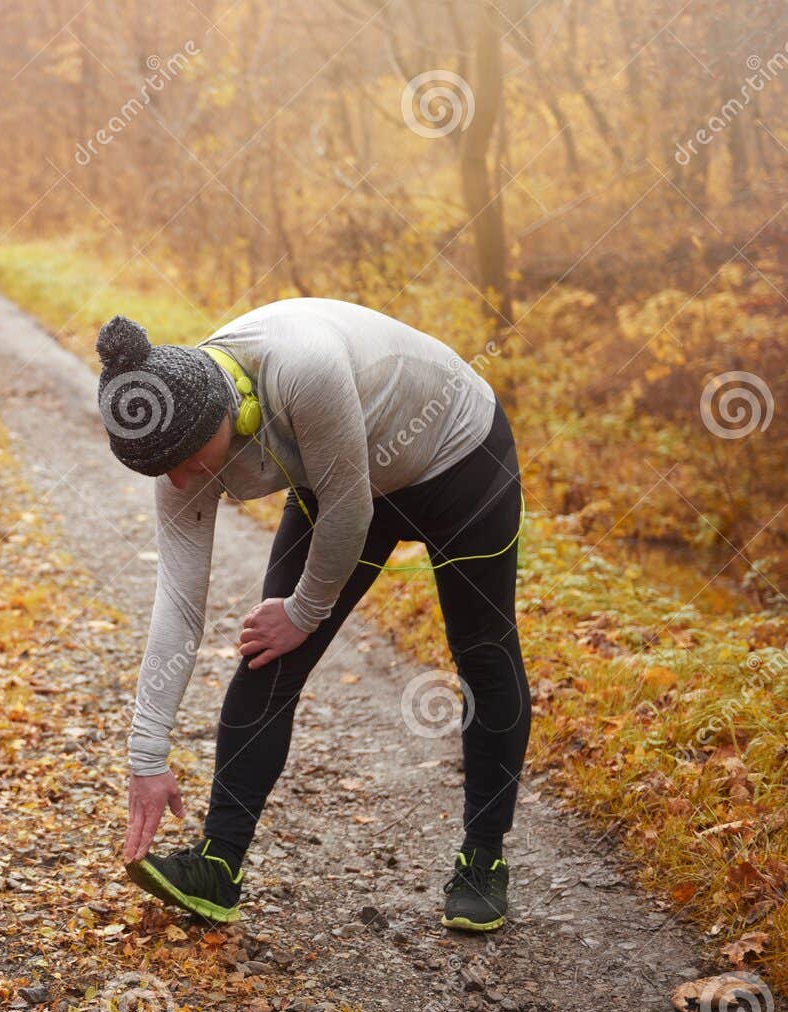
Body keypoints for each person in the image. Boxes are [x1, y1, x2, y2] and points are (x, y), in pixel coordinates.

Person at [96, 299, 528, 932]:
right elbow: (180, 604)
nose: (183, 482)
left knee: (481, 651)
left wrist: (304, 610)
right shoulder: (179, 446)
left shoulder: (303, 367)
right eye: (165, 472)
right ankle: (219, 864)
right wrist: (147, 753)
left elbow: (350, 511)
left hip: (460, 460)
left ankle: (484, 856)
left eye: (188, 462)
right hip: (342, 474)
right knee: (267, 650)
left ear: (226, 411)